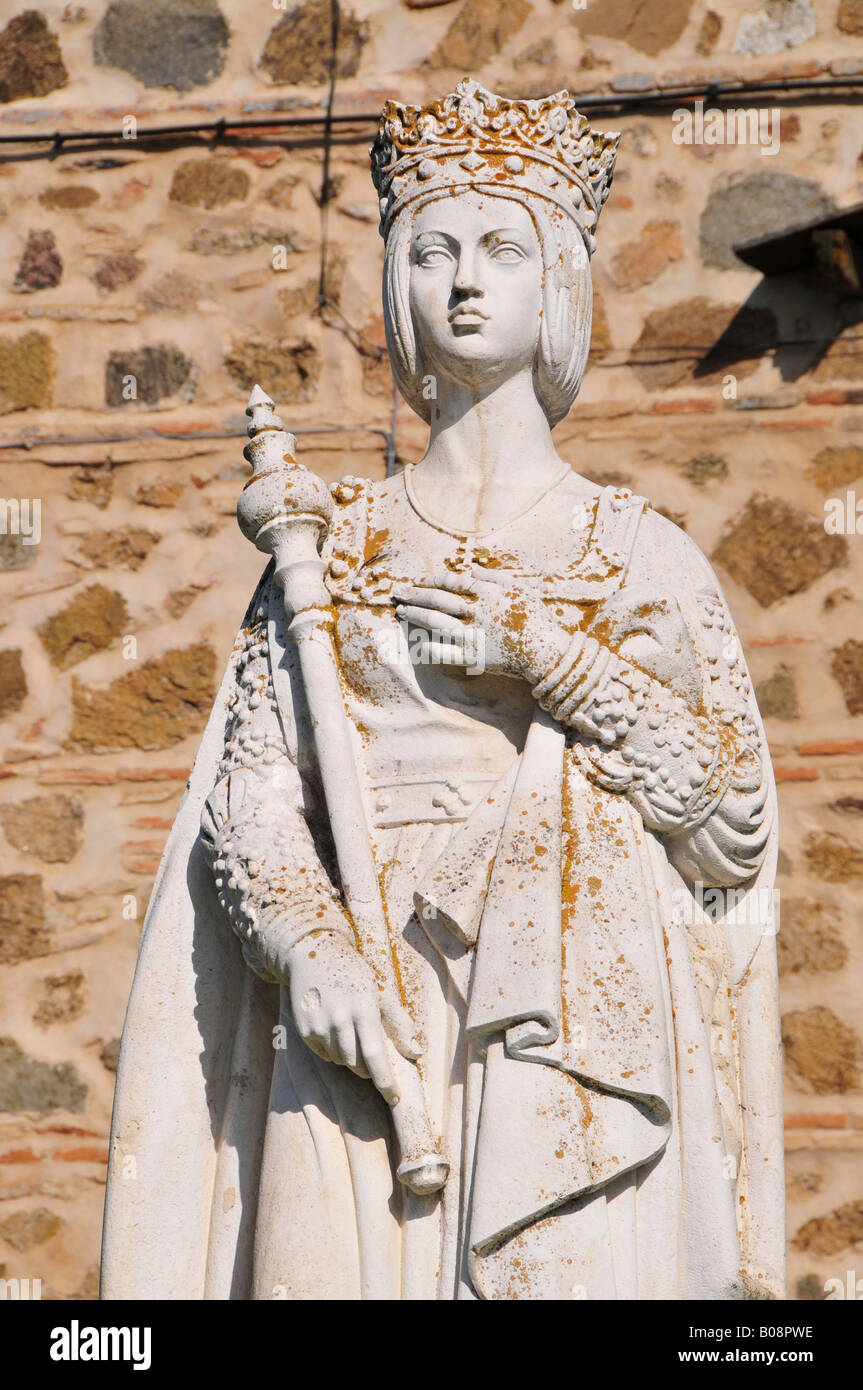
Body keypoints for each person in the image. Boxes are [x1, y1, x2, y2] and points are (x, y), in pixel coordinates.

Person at [101, 80, 783, 1301]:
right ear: (395, 285)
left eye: (499, 249)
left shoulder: (634, 552)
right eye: (429, 251)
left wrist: (551, 658)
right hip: (358, 1010)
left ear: (556, 280)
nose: (461, 280)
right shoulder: (333, 545)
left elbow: (727, 821)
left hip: (567, 1017)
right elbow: (254, 793)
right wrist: (310, 949)